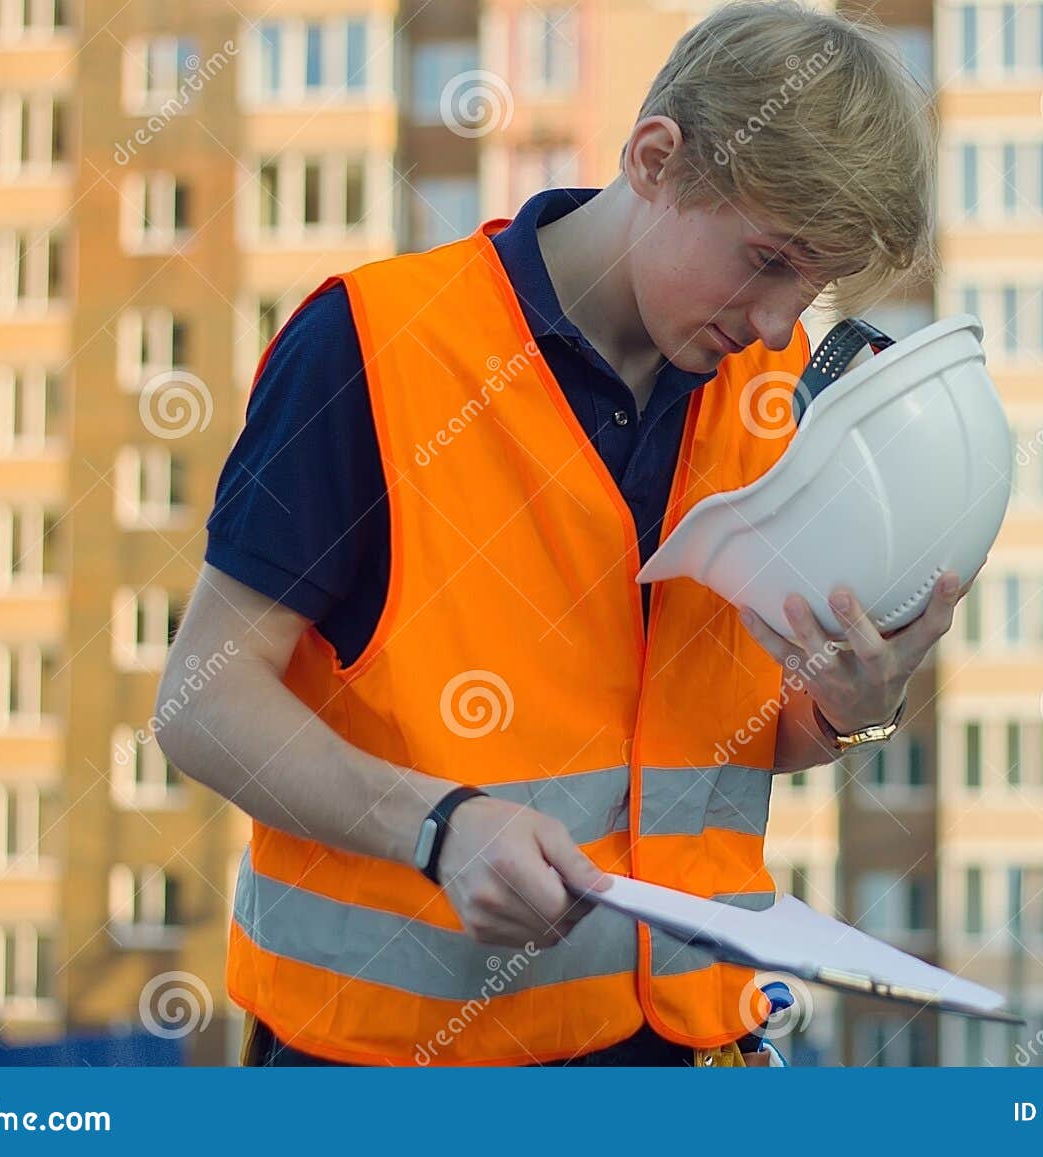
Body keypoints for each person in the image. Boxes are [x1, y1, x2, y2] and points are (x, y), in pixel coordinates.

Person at [157, 0, 959, 1067]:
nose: (778, 323)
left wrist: (850, 710)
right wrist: (437, 826)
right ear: (653, 157)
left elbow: (722, 738)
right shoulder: (376, 347)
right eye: (766, 260)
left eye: (812, 284)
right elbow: (201, 703)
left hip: (689, 1054)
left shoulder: (775, 398)